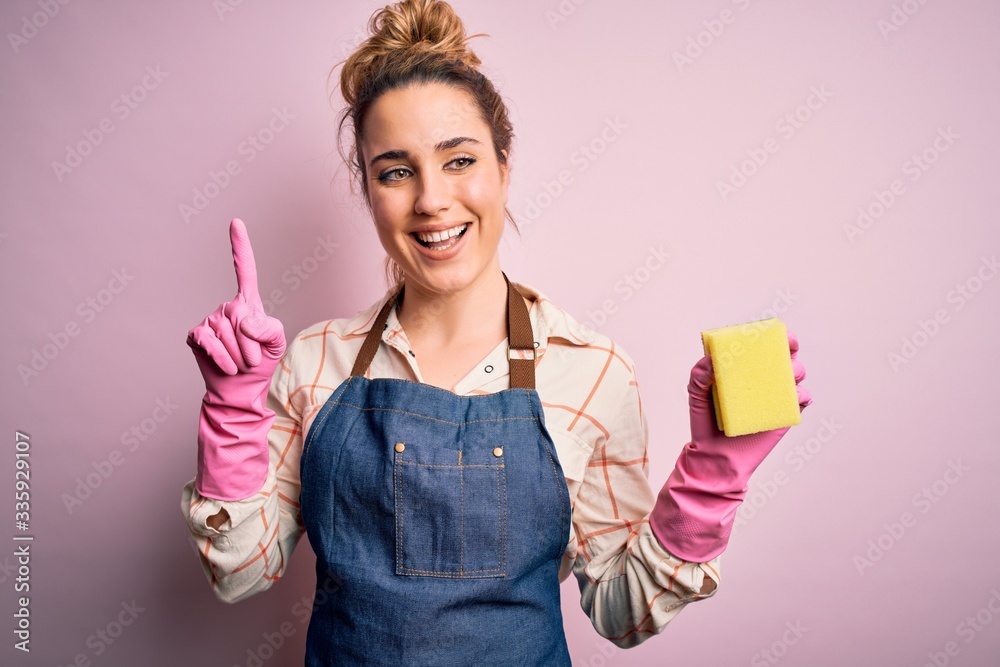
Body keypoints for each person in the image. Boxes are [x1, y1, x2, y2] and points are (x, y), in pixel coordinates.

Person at [179, 1, 812, 664]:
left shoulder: (593, 370)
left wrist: (710, 477)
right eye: (395, 171)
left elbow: (623, 614)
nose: (431, 199)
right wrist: (232, 409)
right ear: (368, 191)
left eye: (459, 161)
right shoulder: (314, 363)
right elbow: (240, 572)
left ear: (504, 168)